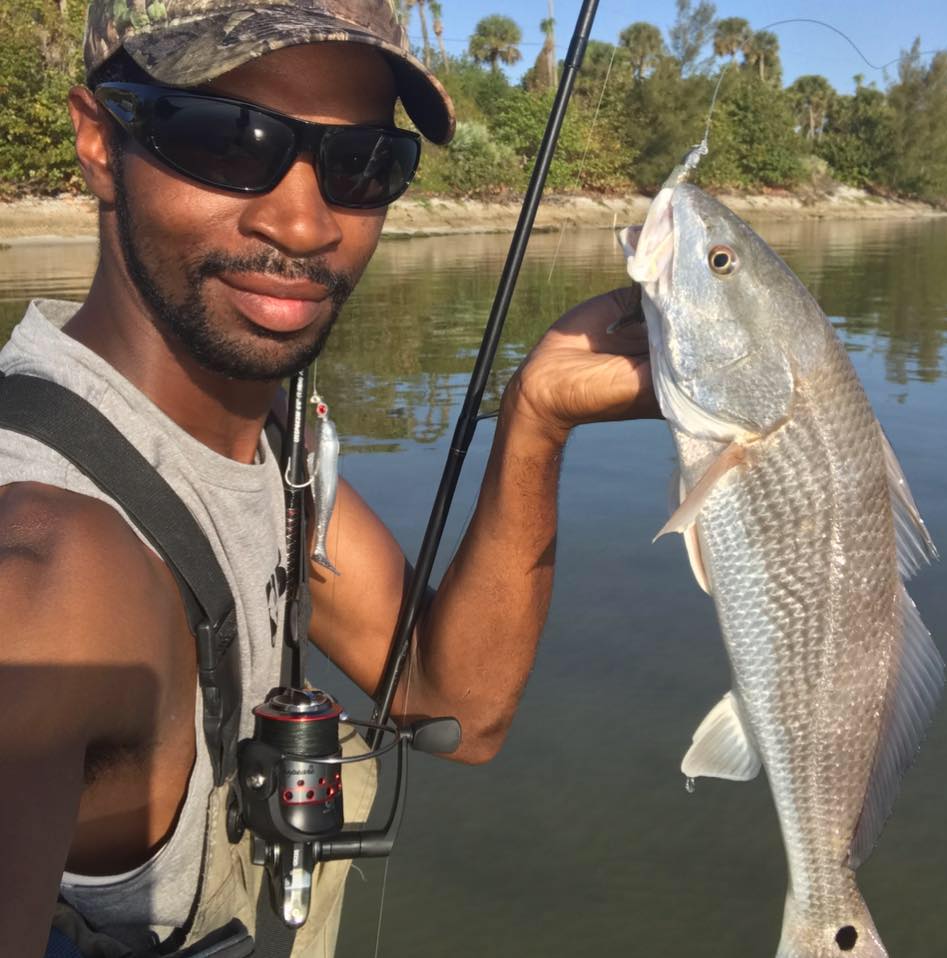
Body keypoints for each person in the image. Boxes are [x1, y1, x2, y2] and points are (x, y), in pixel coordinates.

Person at [0, 1, 658, 956]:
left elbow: (454, 708)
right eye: (226, 142)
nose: (304, 223)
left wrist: (536, 421)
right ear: (101, 141)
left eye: (358, 164)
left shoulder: (266, 436)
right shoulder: (51, 570)